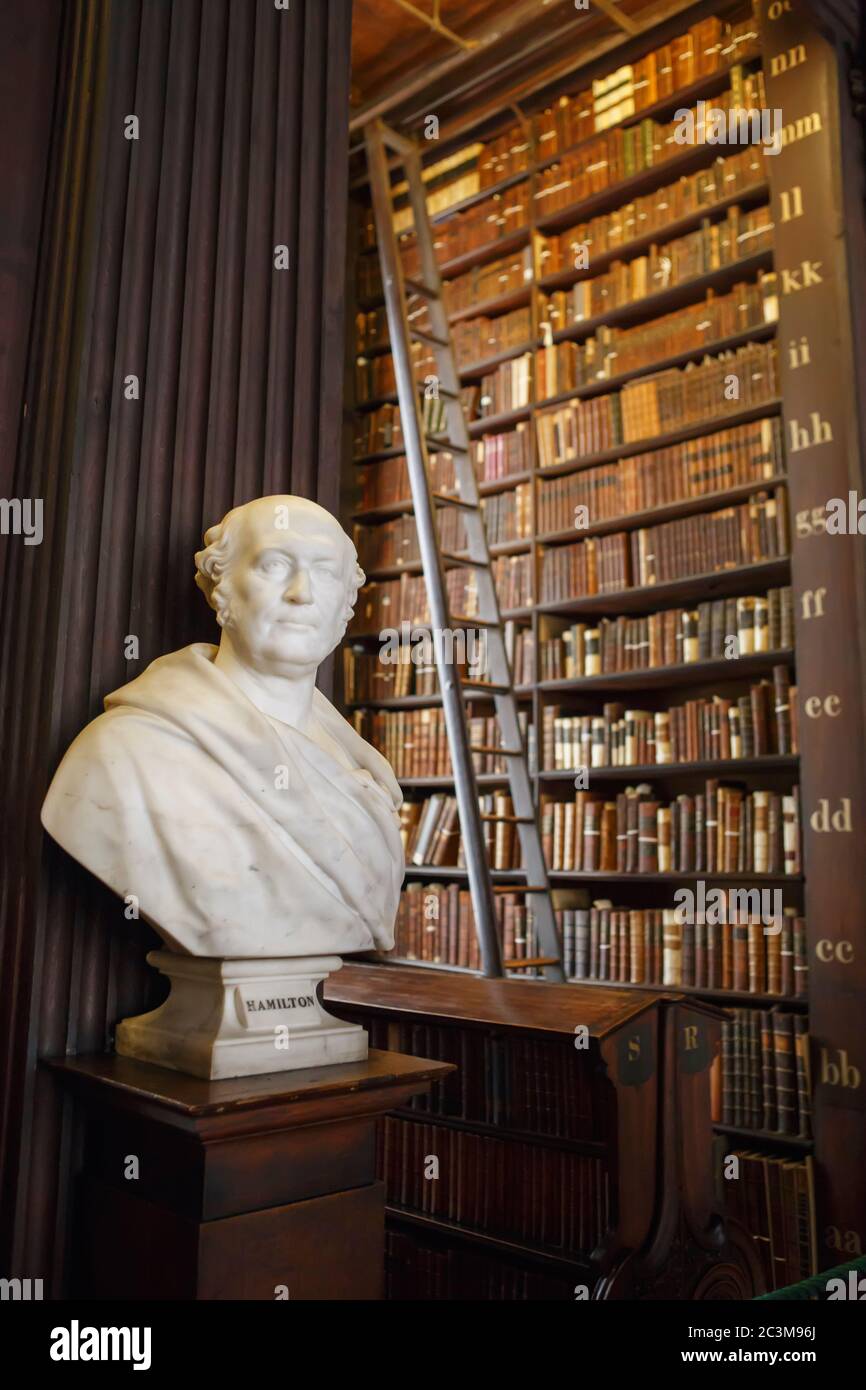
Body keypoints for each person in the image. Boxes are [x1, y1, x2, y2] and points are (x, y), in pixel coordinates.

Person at [41, 496, 403, 959]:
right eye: (274, 565)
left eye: (326, 571)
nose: (302, 592)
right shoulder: (126, 753)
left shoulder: (363, 768)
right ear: (221, 588)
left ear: (346, 604)